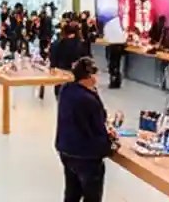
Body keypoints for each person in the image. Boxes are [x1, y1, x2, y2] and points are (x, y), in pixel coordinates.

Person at [55, 57, 114, 202]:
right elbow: (98, 127)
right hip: (86, 155)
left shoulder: (66, 90)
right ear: (89, 76)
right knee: (92, 196)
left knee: (72, 193)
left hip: (66, 149)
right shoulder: (89, 100)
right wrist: (109, 143)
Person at [51, 22, 87, 100]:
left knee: (61, 98)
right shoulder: (80, 44)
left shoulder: (57, 44)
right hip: (76, 75)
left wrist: (52, 68)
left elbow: (53, 60)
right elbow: (85, 60)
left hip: (60, 74)